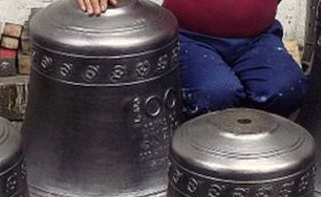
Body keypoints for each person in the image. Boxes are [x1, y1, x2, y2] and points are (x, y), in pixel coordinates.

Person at [76, 0, 306, 118]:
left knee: (286, 88)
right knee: (215, 93)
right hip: (188, 38)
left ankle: (254, 153)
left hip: (257, 39)